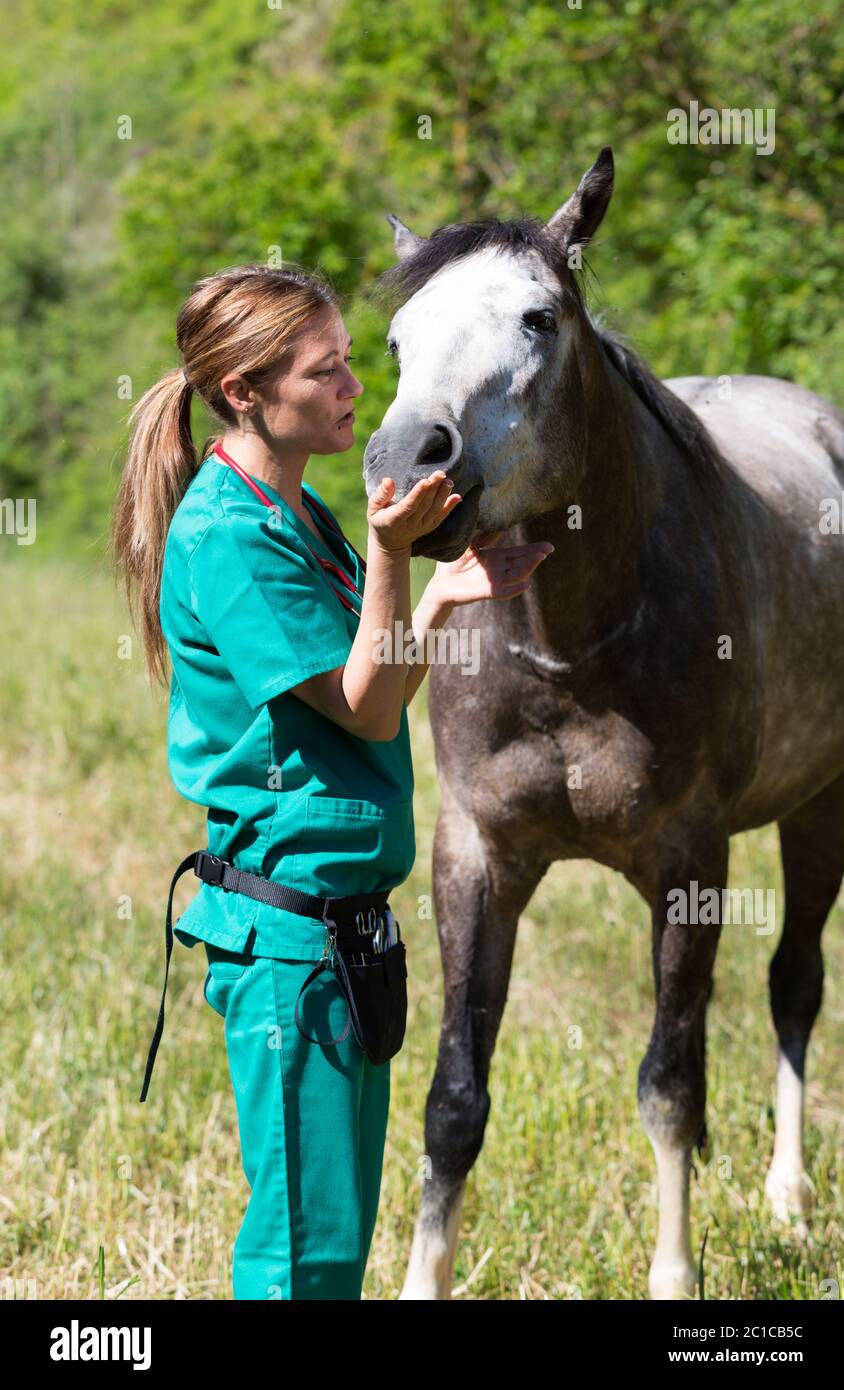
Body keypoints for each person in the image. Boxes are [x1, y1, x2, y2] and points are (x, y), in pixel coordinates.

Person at [111, 262, 553, 1300]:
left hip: (340, 934)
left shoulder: (298, 516)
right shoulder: (230, 537)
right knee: (301, 1255)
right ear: (245, 393)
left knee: (335, 1241)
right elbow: (363, 705)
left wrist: (441, 589)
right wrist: (399, 555)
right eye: (328, 370)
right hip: (290, 947)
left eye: (354, 359)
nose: (359, 387)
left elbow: (380, 682)